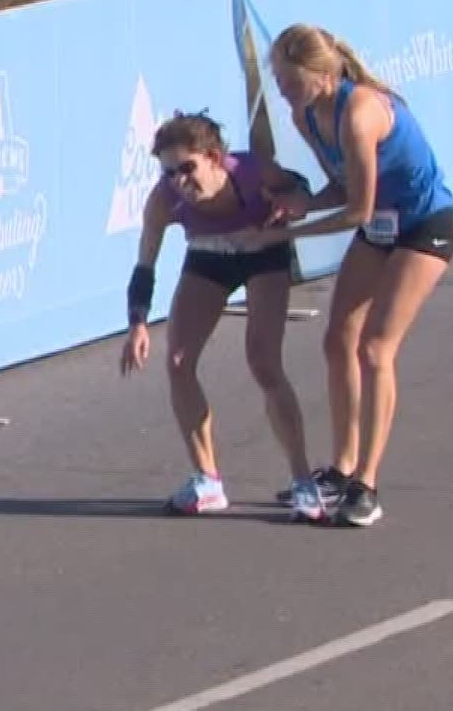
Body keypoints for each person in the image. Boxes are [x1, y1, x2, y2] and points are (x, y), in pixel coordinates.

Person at [230, 24, 453, 528]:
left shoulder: (360, 112)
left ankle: (366, 486)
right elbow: (342, 186)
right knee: (338, 341)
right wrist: (302, 204)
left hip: (424, 226)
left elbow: (358, 209)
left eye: (291, 81)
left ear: (323, 75)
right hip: (381, 225)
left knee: (376, 348)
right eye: (280, 81)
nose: (284, 91)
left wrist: (280, 237)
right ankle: (343, 464)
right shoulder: (306, 113)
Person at [120, 110, 329, 520]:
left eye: (187, 168)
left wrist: (292, 204)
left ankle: (304, 481)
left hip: (263, 255)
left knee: (264, 363)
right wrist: (138, 325)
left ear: (214, 157)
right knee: (178, 362)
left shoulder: (251, 172)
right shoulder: (164, 201)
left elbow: (300, 189)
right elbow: (145, 265)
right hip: (208, 258)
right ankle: (207, 480)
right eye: (169, 173)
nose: (180, 181)